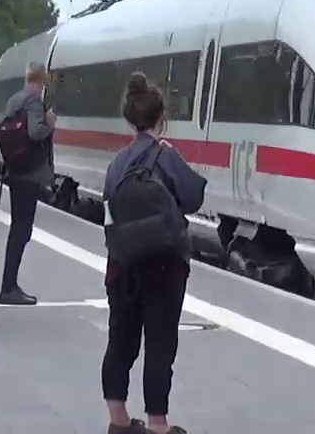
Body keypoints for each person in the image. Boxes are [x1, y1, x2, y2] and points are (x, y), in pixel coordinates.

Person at [100, 72, 206, 434]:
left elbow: (109, 208)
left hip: (122, 263)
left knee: (121, 338)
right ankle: (158, 425)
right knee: (160, 341)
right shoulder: (166, 155)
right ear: (162, 118)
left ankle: (118, 420)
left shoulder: (117, 162)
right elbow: (193, 198)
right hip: (165, 263)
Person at [0, 62, 55, 306]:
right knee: (22, 229)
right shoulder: (33, 101)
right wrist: (50, 123)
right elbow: (35, 132)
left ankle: (9, 285)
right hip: (29, 172)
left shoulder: (15, 100)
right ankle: (9, 287)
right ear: (42, 81)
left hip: (15, 169)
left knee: (18, 227)